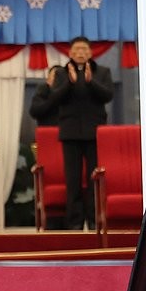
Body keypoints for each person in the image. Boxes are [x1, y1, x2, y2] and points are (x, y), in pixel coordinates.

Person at [45, 36, 113, 230]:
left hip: (94, 134)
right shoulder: (61, 73)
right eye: (77, 50)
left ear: (91, 53)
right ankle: (74, 223)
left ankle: (94, 221)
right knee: (73, 180)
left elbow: (108, 95)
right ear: (70, 53)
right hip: (70, 133)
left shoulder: (102, 72)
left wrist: (91, 82)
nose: (81, 53)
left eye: (84, 49)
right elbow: (54, 98)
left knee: (94, 180)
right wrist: (70, 83)